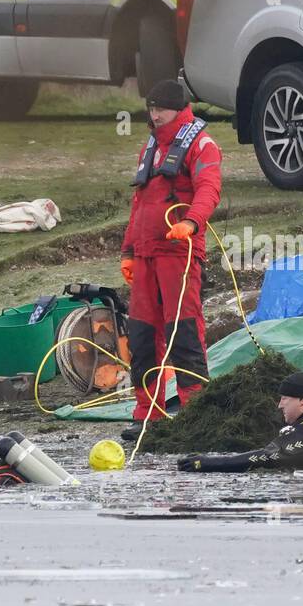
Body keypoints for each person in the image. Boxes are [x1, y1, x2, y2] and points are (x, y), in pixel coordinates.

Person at [121, 80, 222, 435]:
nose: (154, 115)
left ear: (178, 110)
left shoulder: (202, 145)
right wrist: (129, 251)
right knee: (142, 336)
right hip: (147, 255)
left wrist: (191, 223)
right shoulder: (151, 145)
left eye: (159, 109)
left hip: (179, 253)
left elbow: (209, 189)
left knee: (183, 333)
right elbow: (140, 203)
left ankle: (196, 414)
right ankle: (148, 414)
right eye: (150, 109)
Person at [177, 372, 303, 473]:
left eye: (285, 398)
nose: (279, 404)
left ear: (302, 400)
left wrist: (207, 463)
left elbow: (265, 456)